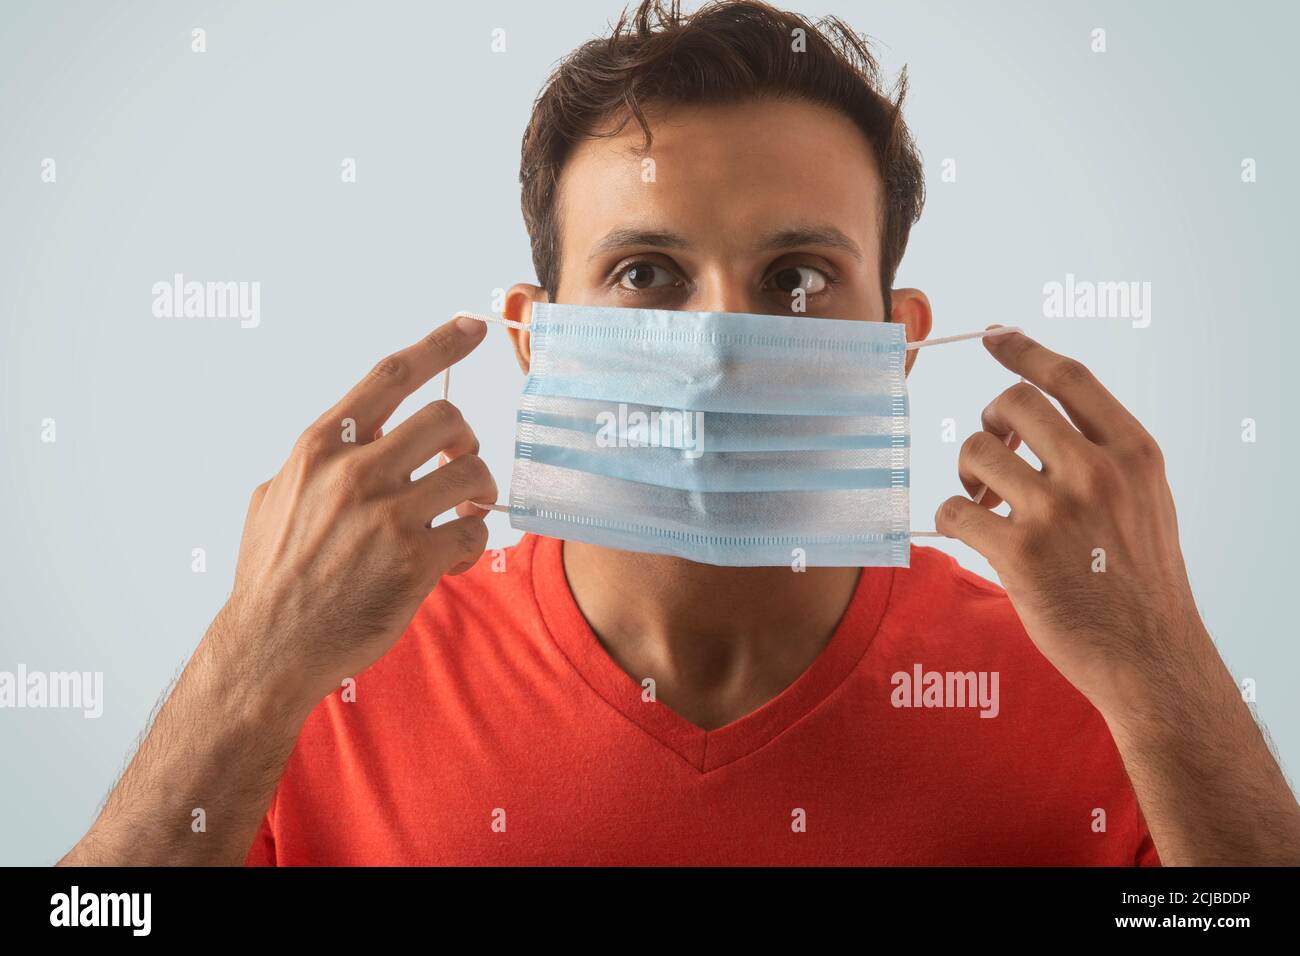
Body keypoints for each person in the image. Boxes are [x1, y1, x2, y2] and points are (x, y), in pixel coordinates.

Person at [61, 0, 1299, 866]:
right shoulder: (323, 678)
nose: (720, 339)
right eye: (647, 273)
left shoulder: (1088, 682)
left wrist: (1162, 663)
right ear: (535, 336)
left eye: (799, 277)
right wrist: (247, 662)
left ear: (898, 333)